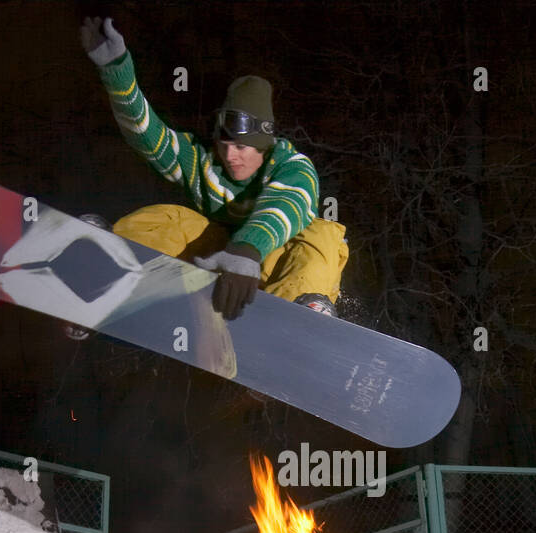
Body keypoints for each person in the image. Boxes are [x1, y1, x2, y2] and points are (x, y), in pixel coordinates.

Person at [81, 17, 347, 321]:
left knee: (323, 235)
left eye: (241, 147)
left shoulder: (291, 165)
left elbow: (288, 204)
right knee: (172, 217)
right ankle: (113, 260)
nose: (230, 156)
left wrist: (248, 249)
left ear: (262, 145)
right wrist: (117, 74)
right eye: (225, 144)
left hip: (279, 274)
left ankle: (302, 316)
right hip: (219, 269)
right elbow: (149, 136)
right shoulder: (203, 161)